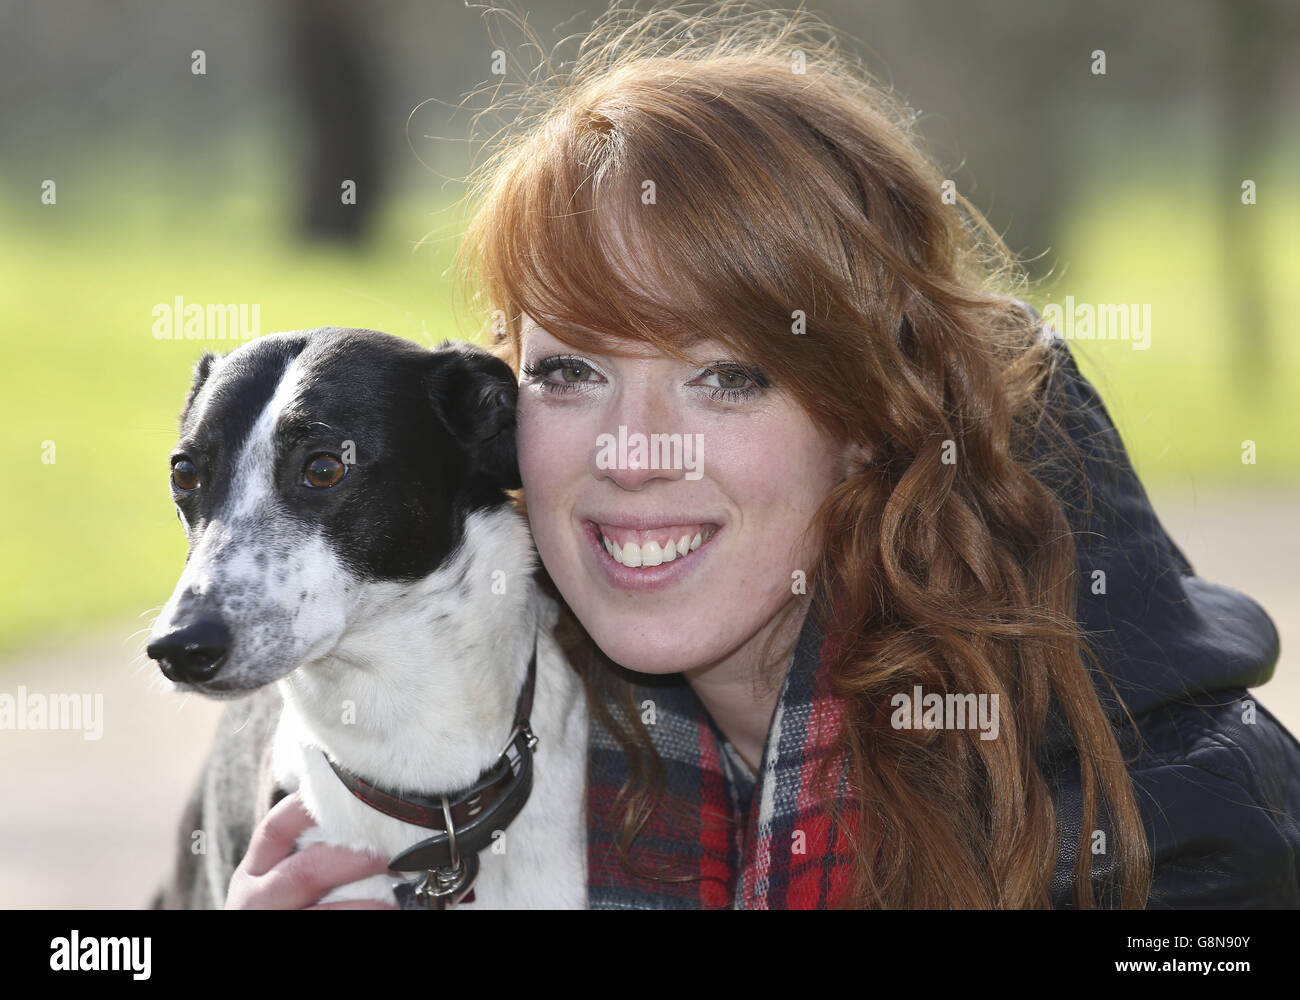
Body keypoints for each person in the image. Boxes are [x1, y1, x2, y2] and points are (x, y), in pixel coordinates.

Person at [155, 3, 1300, 909]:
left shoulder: (1168, 830)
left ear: (871, 414)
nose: (632, 451)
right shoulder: (451, 733)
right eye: (571, 372)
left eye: (727, 376)